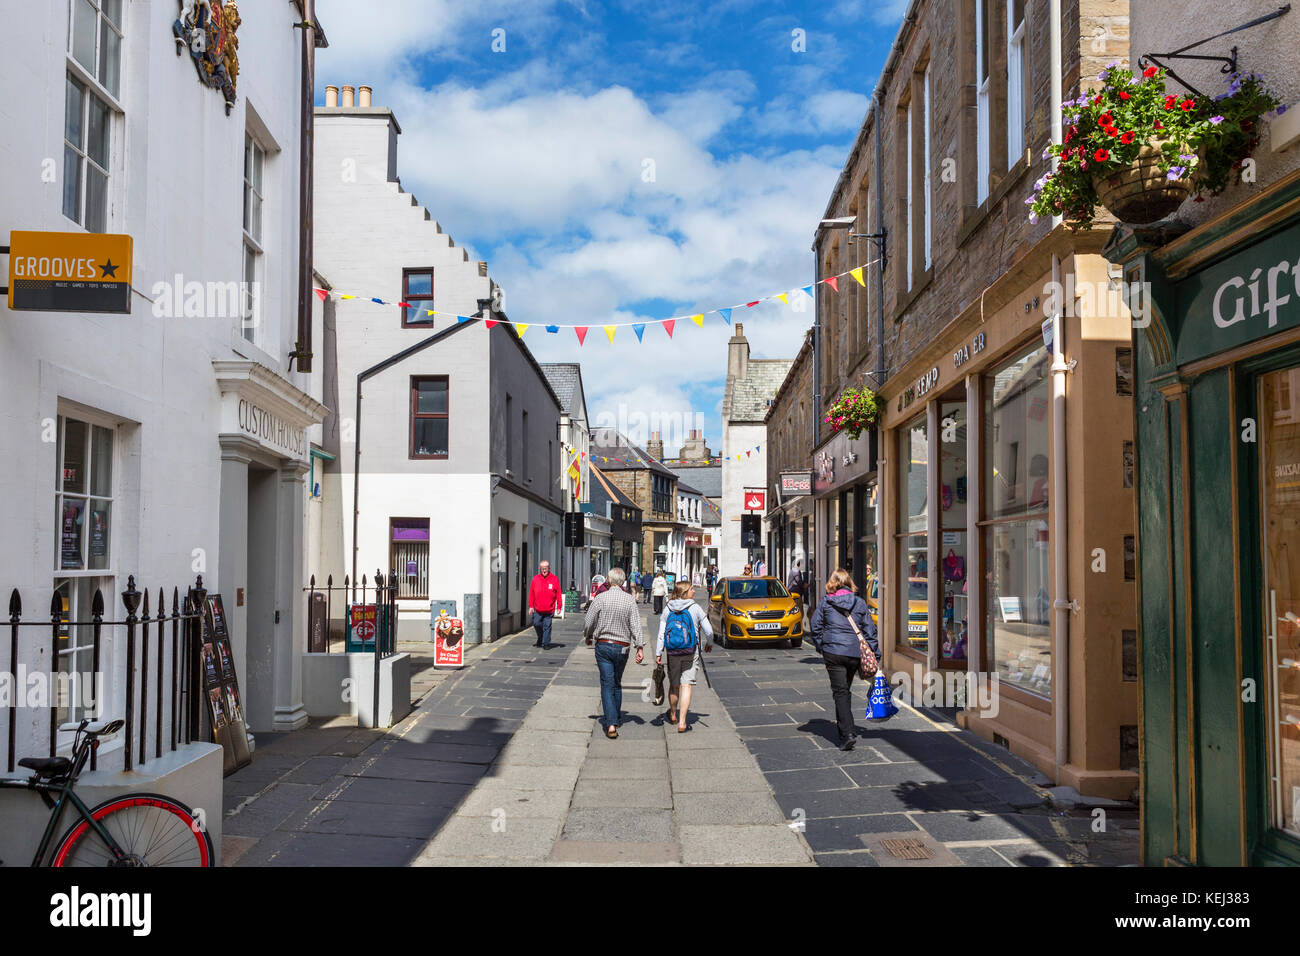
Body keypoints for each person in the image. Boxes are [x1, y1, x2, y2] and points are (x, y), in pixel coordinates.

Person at [808, 568, 881, 751]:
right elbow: (870, 631)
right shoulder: (859, 603)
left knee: (841, 692)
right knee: (844, 690)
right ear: (849, 583)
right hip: (854, 652)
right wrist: (874, 654)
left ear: (832, 583)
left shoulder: (826, 602)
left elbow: (815, 626)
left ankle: (847, 734)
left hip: (833, 652)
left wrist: (821, 646)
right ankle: (848, 729)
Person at [583, 568, 645, 738]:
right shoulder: (629, 600)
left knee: (606, 683)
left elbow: (589, 621)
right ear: (623, 581)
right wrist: (639, 647)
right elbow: (636, 626)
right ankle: (616, 716)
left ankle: (611, 723)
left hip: (603, 645)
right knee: (616, 682)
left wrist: (588, 636)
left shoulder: (600, 598)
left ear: (609, 581)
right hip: (622, 646)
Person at [655, 581, 713, 732]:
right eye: (692, 589)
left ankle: (673, 714)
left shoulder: (668, 608)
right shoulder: (695, 607)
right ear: (685, 592)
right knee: (686, 685)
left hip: (672, 652)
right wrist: (709, 643)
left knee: (674, 685)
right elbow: (709, 630)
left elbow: (662, 633)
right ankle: (682, 722)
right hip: (690, 650)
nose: (694, 591)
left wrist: (658, 652)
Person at [527, 560, 561, 649]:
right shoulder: (535, 579)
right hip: (538, 609)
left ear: (549, 568)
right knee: (536, 624)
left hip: (549, 609)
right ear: (540, 569)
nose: (544, 571)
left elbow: (558, 594)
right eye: (542, 569)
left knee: (547, 626)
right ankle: (541, 637)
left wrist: (559, 607)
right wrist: (530, 606)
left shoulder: (554, 579)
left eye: (545, 569)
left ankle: (546, 643)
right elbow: (531, 593)